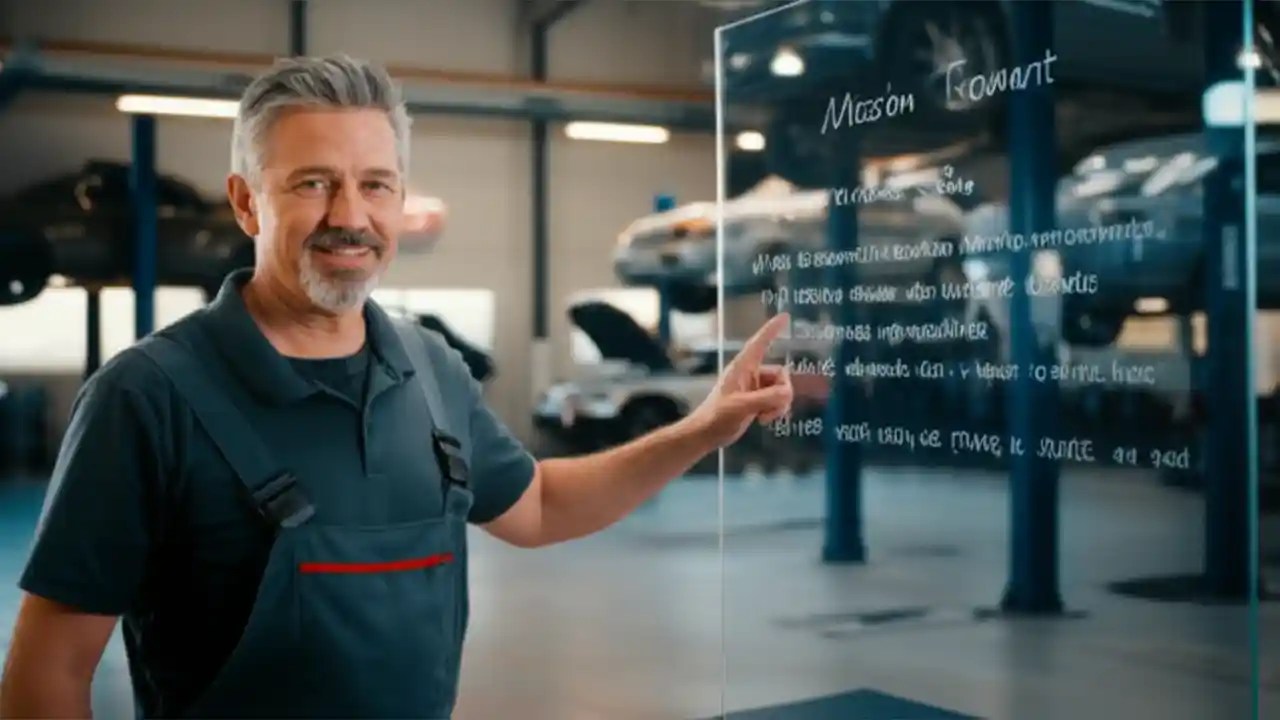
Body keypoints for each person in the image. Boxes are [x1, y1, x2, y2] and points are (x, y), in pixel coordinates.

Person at [0, 54, 794, 719]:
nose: (351, 215)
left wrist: (703, 427)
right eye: (313, 184)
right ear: (247, 202)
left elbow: (541, 505)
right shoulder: (147, 397)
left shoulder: (431, 368)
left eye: (376, 184)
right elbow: (47, 676)